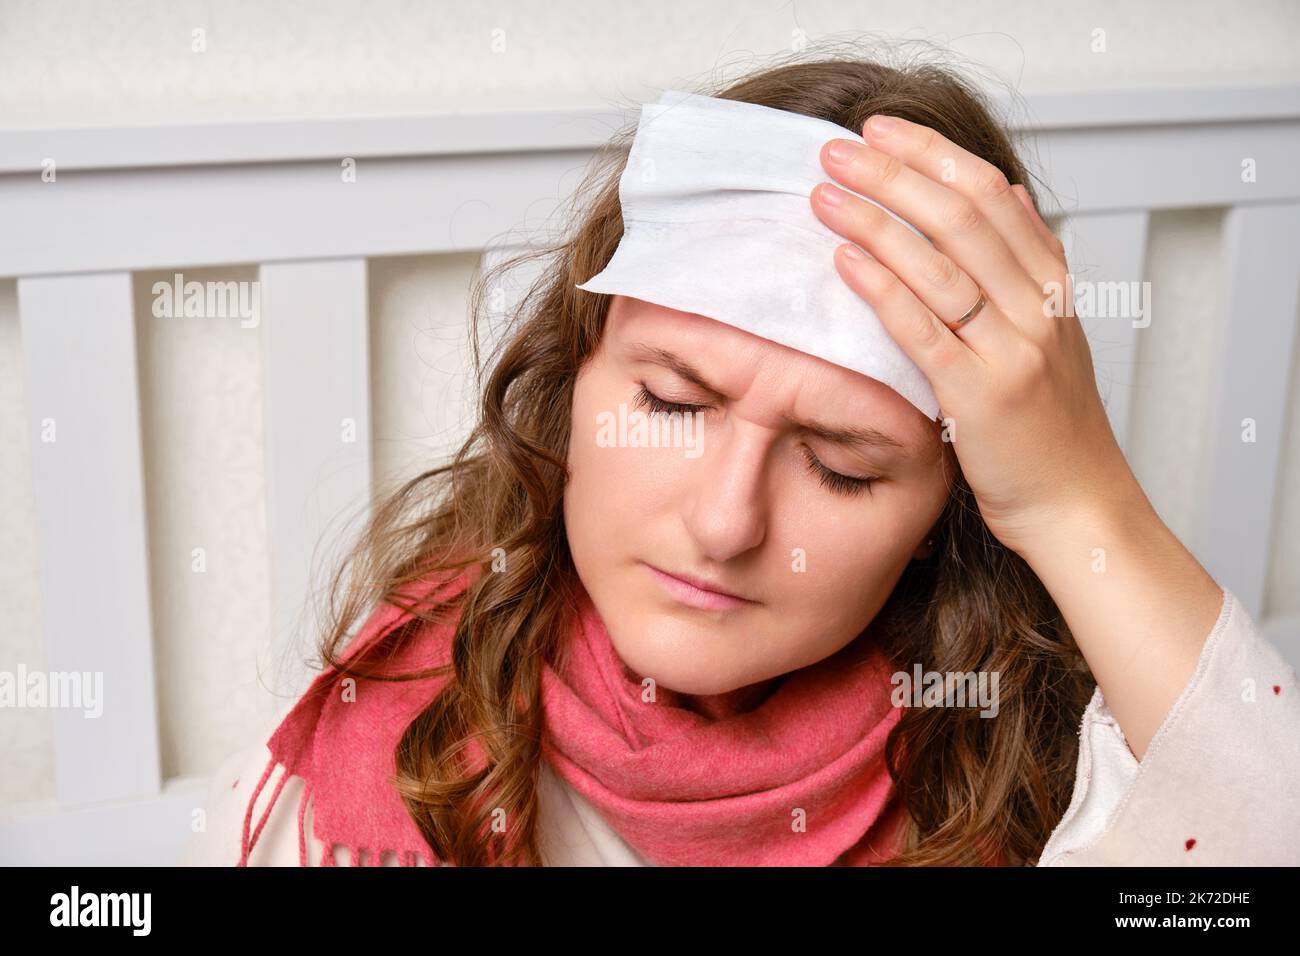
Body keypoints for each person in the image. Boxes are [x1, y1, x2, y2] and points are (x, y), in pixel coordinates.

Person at [182, 52, 1300, 868]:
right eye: (672, 405)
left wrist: (1076, 499)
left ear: (948, 515)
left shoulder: (1039, 771)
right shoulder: (380, 740)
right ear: (572, 384)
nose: (725, 525)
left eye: (843, 467)